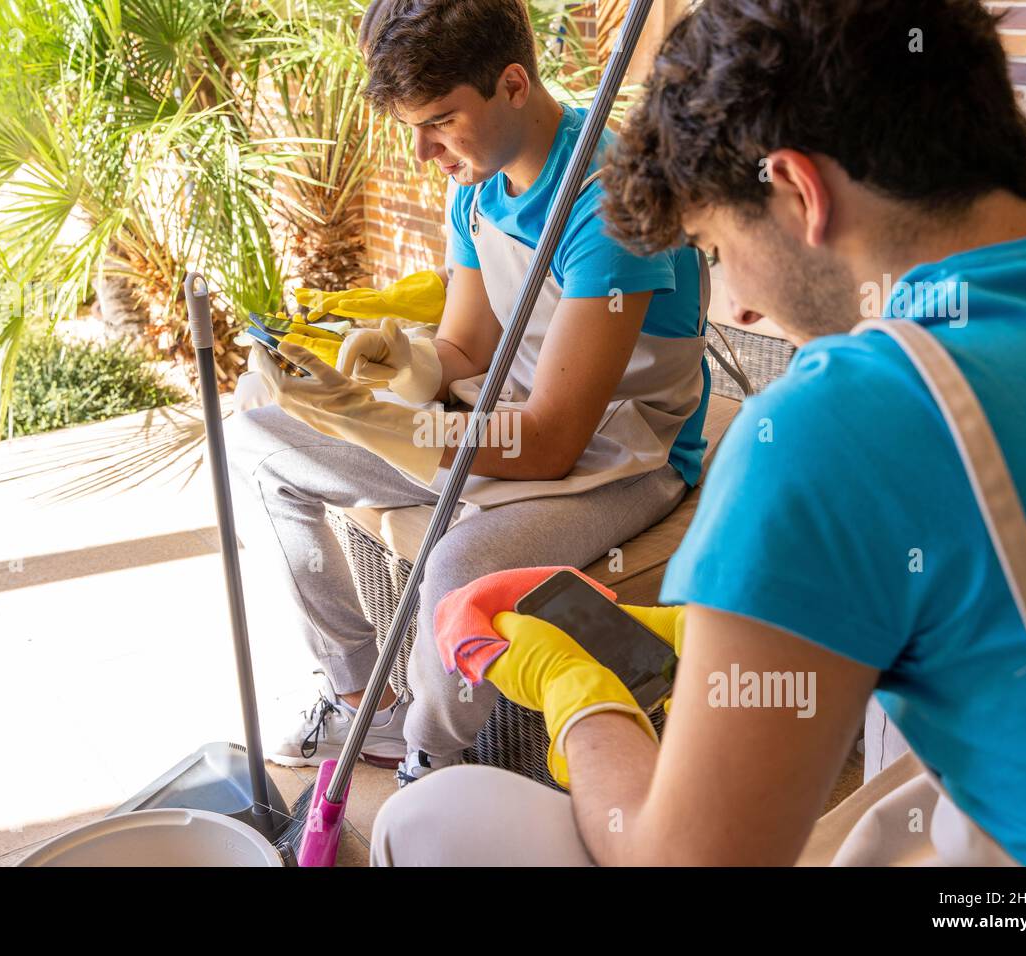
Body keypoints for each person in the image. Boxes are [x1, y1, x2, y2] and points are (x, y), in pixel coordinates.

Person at [370, 0, 1026, 865]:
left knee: (432, 820)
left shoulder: (837, 423)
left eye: (715, 251)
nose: (742, 306)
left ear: (800, 191)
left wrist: (581, 694)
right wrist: (712, 630)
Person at [226, 0, 711, 783]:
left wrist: (389, 428)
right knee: (256, 439)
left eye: (440, 121)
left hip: (620, 455)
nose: (422, 152)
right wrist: (395, 369)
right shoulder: (477, 181)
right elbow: (466, 348)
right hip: (505, 417)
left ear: (513, 83)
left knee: (457, 574)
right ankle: (363, 702)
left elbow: (553, 441)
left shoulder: (610, 202)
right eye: (413, 126)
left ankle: (429, 753)